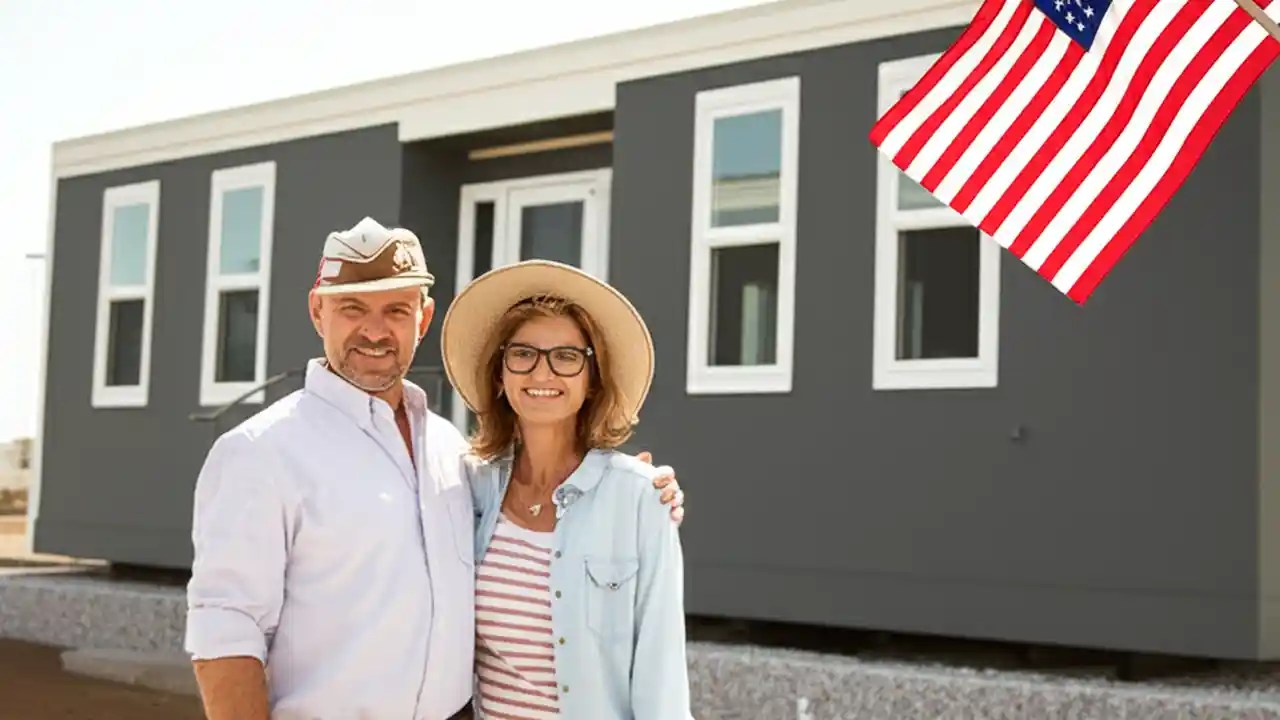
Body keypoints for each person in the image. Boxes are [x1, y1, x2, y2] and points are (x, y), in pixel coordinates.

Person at [184, 217, 684, 720]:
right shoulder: (259, 452)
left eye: (396, 310)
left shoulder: (454, 454)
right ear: (318, 311)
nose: (375, 331)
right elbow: (226, 630)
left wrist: (630, 488)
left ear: (423, 319)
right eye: (352, 307)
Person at [441, 259, 693, 719]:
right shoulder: (468, 489)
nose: (542, 374)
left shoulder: (641, 499)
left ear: (591, 379)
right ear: (500, 375)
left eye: (566, 356)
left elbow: (663, 679)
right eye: (522, 354)